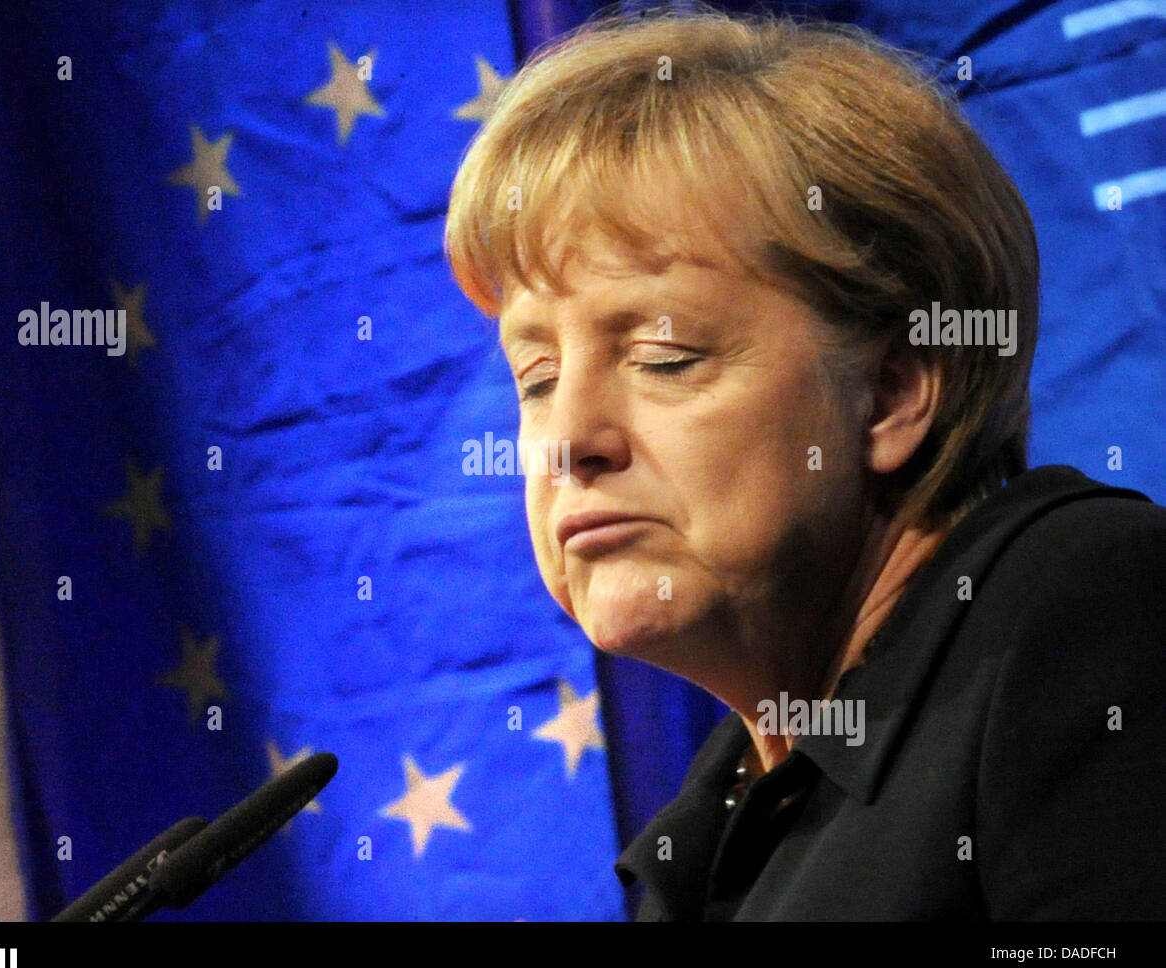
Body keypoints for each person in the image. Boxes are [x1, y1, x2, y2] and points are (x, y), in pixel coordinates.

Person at [443, 6, 1166, 920]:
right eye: (537, 375)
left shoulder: (1087, 605)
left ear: (895, 391)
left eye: (665, 355)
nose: (569, 438)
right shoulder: (709, 837)